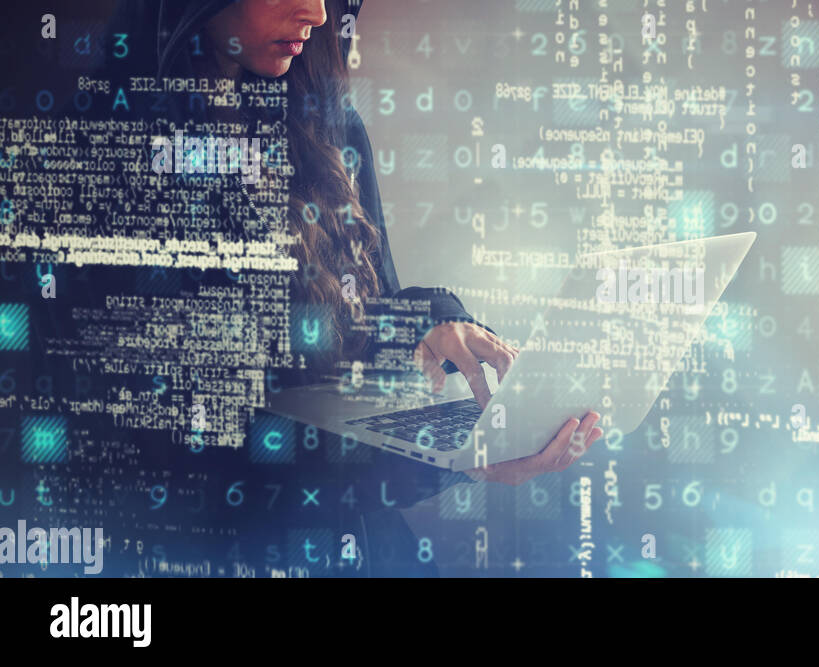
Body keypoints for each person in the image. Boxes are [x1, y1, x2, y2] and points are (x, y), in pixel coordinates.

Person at [25, 0, 602, 575]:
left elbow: (363, 329)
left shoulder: (330, 128)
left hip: (357, 551)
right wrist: (442, 463)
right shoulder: (99, 151)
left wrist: (431, 324)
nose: (318, 13)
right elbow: (180, 459)